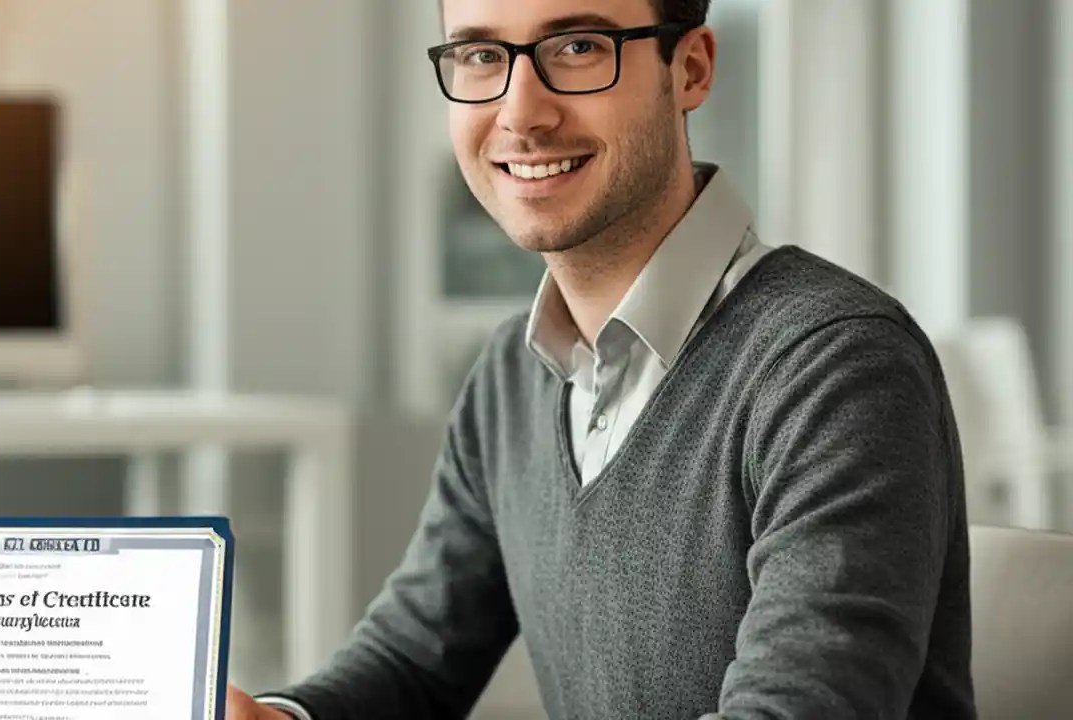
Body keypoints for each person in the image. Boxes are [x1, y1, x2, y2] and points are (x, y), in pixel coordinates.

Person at [229, 0, 976, 717]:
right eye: (483, 55)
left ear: (690, 69)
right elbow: (412, 661)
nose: (521, 113)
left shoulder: (836, 365)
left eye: (578, 47)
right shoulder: (509, 378)